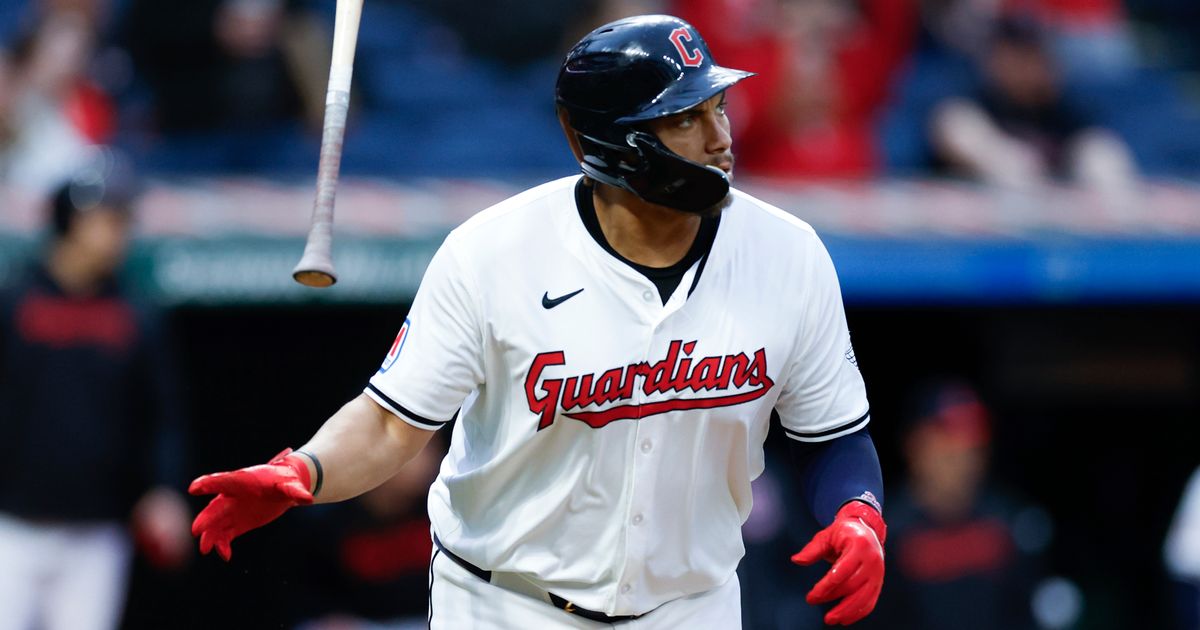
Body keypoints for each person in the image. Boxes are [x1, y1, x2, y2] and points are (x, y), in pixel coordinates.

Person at [190, 14, 886, 628]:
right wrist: (306, 469)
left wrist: (859, 512)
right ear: (617, 142)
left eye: (717, 107)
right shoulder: (494, 253)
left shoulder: (788, 254)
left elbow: (834, 435)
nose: (718, 137)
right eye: (684, 119)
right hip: (506, 604)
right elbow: (391, 422)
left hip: (691, 605)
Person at [0, 155, 192, 630]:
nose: (118, 232)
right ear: (72, 220)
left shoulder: (136, 313)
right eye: (107, 219)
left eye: (123, 220)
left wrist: (162, 489)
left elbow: (162, 414)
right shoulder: (16, 301)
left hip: (97, 532)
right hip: (12, 525)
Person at [861, 379, 1050, 630]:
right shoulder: (882, 533)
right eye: (948, 449)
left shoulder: (1011, 524)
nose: (962, 463)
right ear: (914, 445)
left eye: (971, 450)